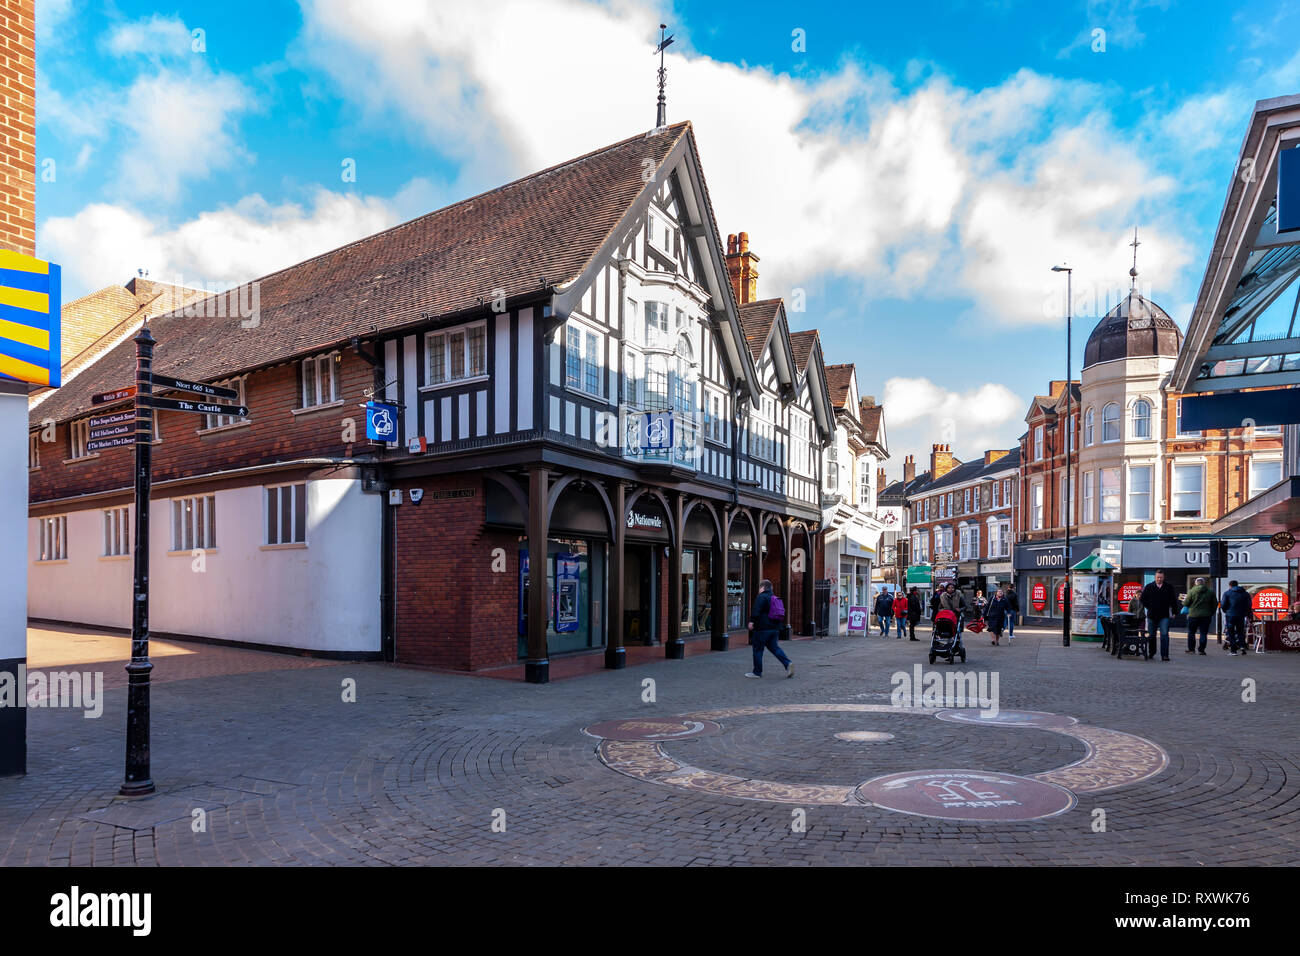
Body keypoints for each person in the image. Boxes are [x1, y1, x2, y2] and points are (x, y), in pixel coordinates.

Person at [745, 578, 794, 678]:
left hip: (762, 628)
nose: (759, 589)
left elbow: (756, 610)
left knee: (758, 649)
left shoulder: (761, 597)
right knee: (775, 648)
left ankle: (757, 672)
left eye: (759, 587)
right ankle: (787, 663)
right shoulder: (773, 597)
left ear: (762, 587)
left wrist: (751, 621)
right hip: (774, 628)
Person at [1140, 570, 1181, 662]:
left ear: (1163, 577)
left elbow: (1173, 600)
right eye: (1158, 577)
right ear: (1155, 577)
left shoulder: (1168, 587)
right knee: (1151, 635)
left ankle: (1165, 655)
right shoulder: (1149, 587)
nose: (1159, 579)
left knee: (1165, 635)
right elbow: (1142, 599)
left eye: (1161, 577)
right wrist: (1149, 606)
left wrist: (1174, 612)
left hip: (1164, 615)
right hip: (1152, 615)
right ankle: (1152, 652)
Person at [1183, 576, 1216, 656]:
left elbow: (1186, 603)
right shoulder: (1210, 592)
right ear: (1204, 583)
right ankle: (1201, 650)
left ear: (1196, 583)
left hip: (1193, 615)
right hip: (1206, 616)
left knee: (1191, 632)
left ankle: (1191, 649)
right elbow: (1214, 604)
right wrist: (1211, 612)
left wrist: (1183, 601)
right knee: (1203, 633)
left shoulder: (1191, 591)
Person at [1220, 579, 1253, 656]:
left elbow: (1223, 604)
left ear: (1230, 585)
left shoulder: (1227, 593)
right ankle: (1242, 647)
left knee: (1231, 633)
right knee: (1240, 632)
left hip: (1230, 615)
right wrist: (1247, 613)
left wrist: (1226, 611)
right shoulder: (1245, 594)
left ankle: (1233, 650)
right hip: (1241, 615)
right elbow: (1249, 605)